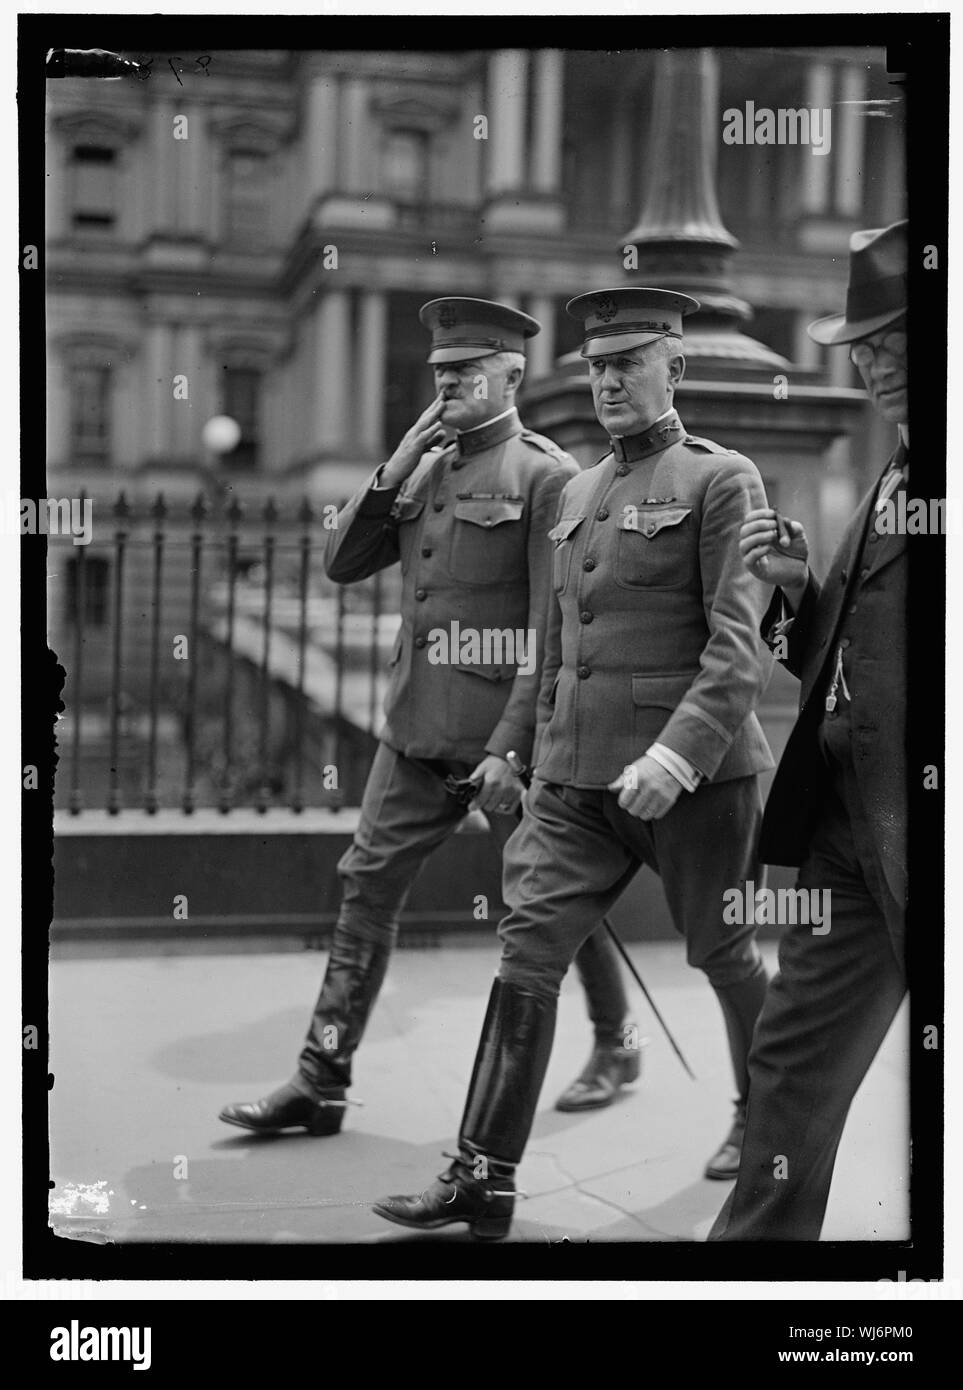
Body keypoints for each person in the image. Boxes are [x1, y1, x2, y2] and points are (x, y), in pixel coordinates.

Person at [372, 286, 776, 1239]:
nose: (604, 382)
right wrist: (512, 750)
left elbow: (736, 645)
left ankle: (768, 1124)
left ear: (672, 370)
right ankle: (482, 1178)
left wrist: (675, 760)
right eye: (593, 366)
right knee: (525, 952)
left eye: (625, 364)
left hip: (695, 786)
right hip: (572, 781)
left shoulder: (722, 479)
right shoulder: (577, 490)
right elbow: (549, 650)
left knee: (721, 952)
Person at [219, 297, 639, 1139]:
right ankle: (320, 1076)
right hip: (413, 732)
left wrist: (512, 748)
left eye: (464, 372)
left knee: (556, 905)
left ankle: (614, 1042)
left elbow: (547, 631)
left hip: (500, 746)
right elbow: (343, 565)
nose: (446, 384)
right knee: (364, 887)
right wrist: (393, 464)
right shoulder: (425, 466)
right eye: (439, 373)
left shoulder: (545, 474)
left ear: (511, 375)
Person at [709, 220, 909, 1241]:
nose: (878, 365)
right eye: (865, 347)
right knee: (791, 1069)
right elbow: (839, 657)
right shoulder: (890, 481)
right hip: (845, 840)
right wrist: (792, 596)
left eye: (901, 339)